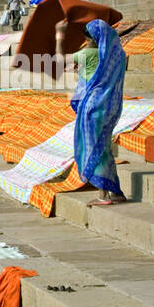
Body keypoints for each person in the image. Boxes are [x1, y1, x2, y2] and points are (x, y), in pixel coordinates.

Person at [56, 18, 128, 206]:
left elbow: (59, 59)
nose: (86, 41)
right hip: (109, 106)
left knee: (94, 149)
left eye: (86, 38)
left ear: (91, 39)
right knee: (104, 148)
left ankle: (103, 195)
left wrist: (59, 34)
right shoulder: (116, 54)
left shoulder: (86, 54)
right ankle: (115, 191)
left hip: (92, 106)